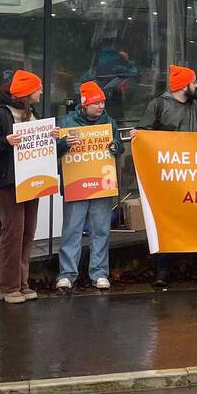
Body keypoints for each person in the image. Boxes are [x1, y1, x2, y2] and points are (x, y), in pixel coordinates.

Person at [135, 64, 197, 287]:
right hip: (168, 176)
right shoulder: (159, 104)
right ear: (183, 85)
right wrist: (141, 134)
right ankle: (163, 269)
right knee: (168, 221)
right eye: (194, 82)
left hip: (194, 173)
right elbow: (145, 133)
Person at [0, 70, 45, 304]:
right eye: (37, 88)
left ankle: (22, 282)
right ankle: (7, 286)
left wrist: (52, 138)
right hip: (7, 182)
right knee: (13, 231)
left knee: (27, 231)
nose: (41, 92)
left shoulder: (32, 113)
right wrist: (5, 142)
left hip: (31, 179)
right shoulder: (0, 115)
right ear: (27, 93)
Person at [56, 80, 123, 291]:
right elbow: (54, 151)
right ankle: (67, 274)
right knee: (72, 230)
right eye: (96, 103)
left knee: (101, 229)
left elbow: (118, 144)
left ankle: (100, 273)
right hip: (76, 184)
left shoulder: (109, 122)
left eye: (102, 102)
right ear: (85, 104)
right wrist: (63, 143)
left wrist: (115, 146)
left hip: (101, 184)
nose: (101, 106)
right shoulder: (66, 122)